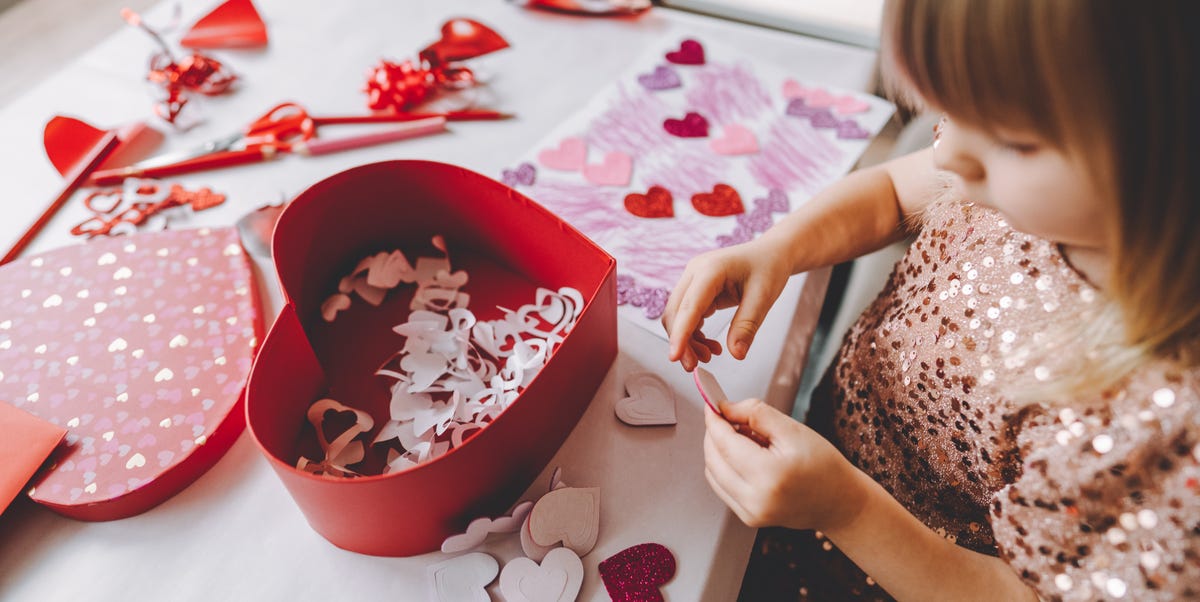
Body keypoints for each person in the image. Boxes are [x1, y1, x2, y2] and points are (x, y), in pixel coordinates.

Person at [661, 1, 1200, 600]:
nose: (946, 152)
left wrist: (846, 510)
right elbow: (895, 193)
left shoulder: (1165, 424)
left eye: (1014, 142)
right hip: (820, 461)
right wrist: (777, 249)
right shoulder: (1006, 176)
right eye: (948, 108)